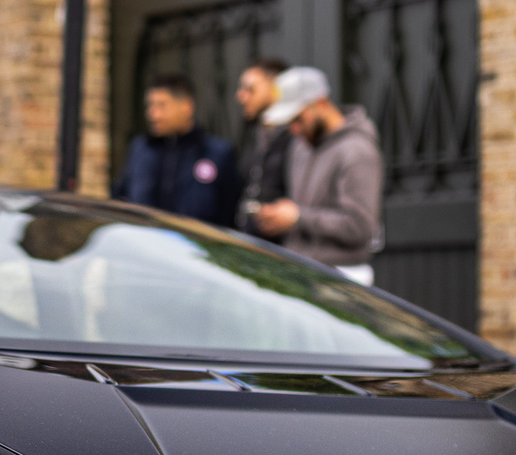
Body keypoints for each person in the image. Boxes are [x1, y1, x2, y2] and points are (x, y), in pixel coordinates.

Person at [249, 66, 383, 284]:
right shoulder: (301, 146)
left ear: (320, 103)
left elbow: (360, 227)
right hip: (301, 272)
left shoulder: (357, 150)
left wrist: (298, 217)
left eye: (298, 118)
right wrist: (281, 216)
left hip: (342, 278)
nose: (293, 129)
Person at [117, 75, 241, 227]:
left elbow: (229, 215)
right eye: (150, 106)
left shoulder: (217, 153)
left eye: (161, 106)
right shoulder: (140, 149)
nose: (152, 114)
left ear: (186, 107)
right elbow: (121, 198)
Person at [234, 56, 293, 242]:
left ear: (277, 90)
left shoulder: (296, 140)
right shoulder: (254, 137)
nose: (241, 96)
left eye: (250, 89)